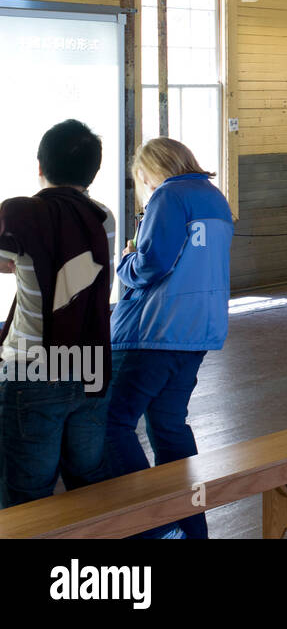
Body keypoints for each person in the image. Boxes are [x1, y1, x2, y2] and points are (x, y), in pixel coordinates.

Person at [107, 137, 233, 538]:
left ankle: (156, 526)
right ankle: (191, 528)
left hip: (155, 330)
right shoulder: (214, 198)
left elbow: (152, 264)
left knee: (111, 423)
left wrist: (125, 262)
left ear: (148, 172)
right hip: (198, 333)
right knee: (170, 427)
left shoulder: (167, 196)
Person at [0, 120, 115, 507]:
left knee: (27, 493)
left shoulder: (20, 216)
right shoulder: (104, 218)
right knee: (88, 483)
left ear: (39, 166)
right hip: (90, 364)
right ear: (93, 171)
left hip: (32, 368)